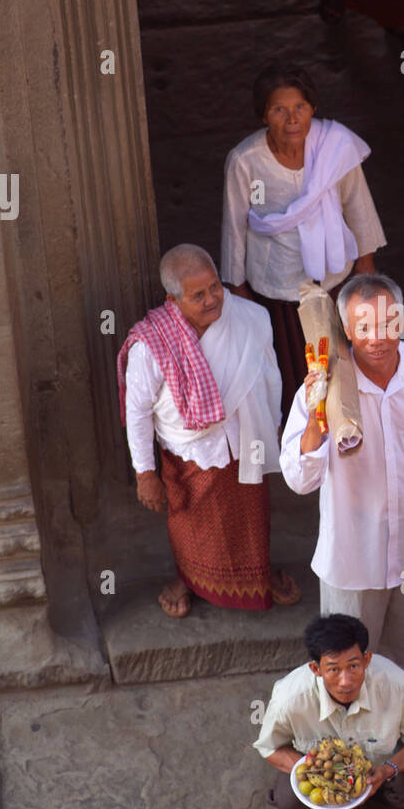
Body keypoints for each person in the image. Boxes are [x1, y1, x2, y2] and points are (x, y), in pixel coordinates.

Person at [280, 272, 404, 710]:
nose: (377, 338)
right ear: (347, 331)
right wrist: (316, 415)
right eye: (364, 327)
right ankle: (349, 698)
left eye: (388, 323)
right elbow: (298, 479)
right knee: (346, 638)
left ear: (402, 321)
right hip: (353, 547)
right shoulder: (325, 387)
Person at [117, 244, 299, 616]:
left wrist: (277, 427)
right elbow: (137, 412)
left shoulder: (250, 318)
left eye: (215, 287)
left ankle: (257, 574)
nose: (211, 299)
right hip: (188, 452)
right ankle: (188, 579)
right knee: (191, 525)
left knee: (252, 519)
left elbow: (270, 376)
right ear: (173, 299)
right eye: (197, 295)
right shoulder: (151, 343)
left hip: (245, 441)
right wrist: (145, 474)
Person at [222, 60, 386, 411]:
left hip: (334, 275)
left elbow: (358, 204)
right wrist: (237, 286)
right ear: (263, 115)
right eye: (279, 109)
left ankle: (349, 426)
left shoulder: (335, 146)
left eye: (300, 107)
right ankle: (306, 438)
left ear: (313, 108)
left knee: (342, 361)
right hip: (277, 284)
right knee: (295, 369)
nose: (292, 118)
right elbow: (234, 224)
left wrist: (366, 264)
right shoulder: (245, 160)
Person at [254, 613, 404, 809]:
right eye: (333, 669)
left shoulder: (396, 684)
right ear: (316, 669)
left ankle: (394, 808)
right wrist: (316, 773)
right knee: (288, 798)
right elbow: (270, 748)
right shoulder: (290, 697)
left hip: (382, 771)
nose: (345, 681)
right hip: (323, 778)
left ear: (367, 660)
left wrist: (386, 770)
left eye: (354, 666)